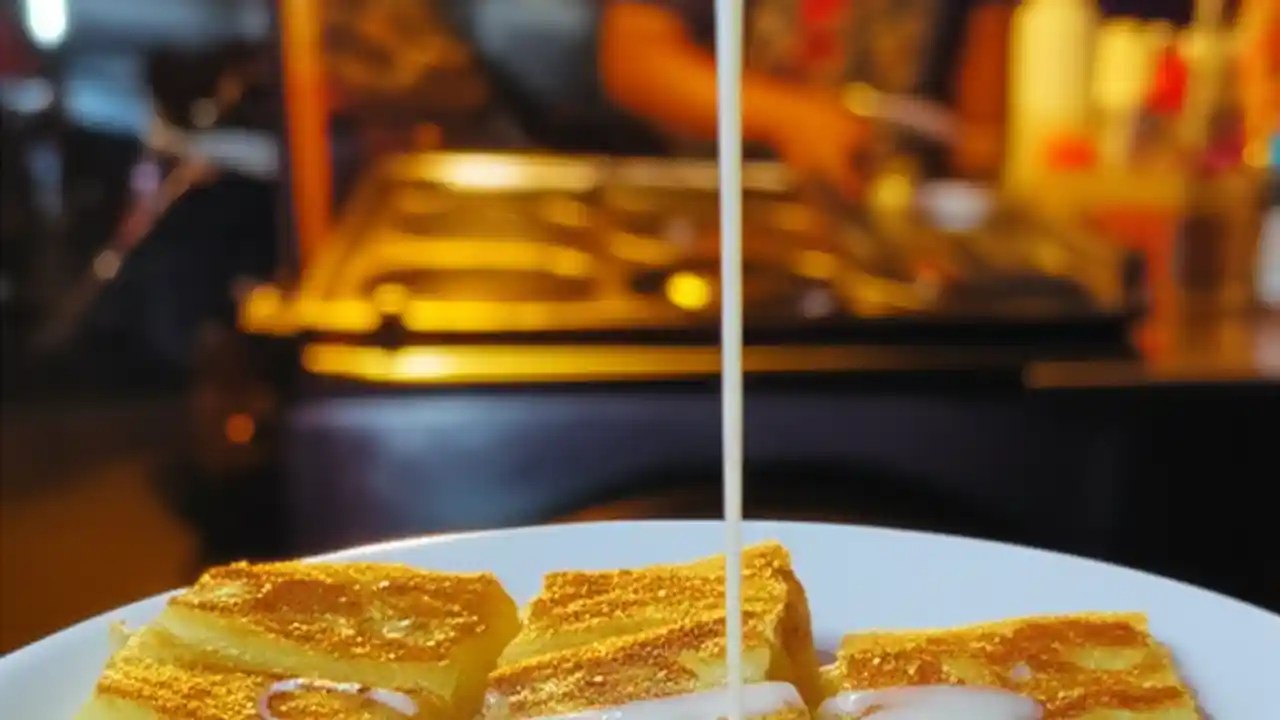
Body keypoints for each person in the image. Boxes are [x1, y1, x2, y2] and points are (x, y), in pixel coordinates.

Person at [599, 0, 1013, 195]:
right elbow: (633, 58)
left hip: (890, 220)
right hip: (719, 211)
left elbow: (979, 134)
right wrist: (789, 116)